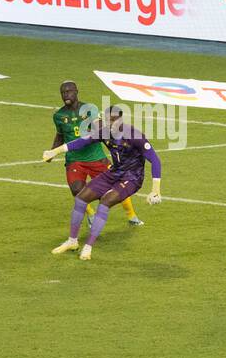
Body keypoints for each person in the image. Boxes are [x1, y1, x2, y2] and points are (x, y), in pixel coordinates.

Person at [43, 105, 162, 261]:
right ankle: (72, 241)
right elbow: (81, 142)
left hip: (132, 177)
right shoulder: (104, 132)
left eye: (113, 120)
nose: (110, 123)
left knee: (105, 202)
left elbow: (155, 160)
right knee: (81, 198)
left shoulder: (134, 135)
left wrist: (155, 189)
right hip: (115, 172)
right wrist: (55, 151)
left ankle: (88, 246)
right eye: (108, 120)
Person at [49, 81, 142, 234]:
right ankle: (91, 215)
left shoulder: (90, 109)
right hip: (75, 159)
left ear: (76, 91)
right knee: (76, 189)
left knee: (118, 187)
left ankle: (132, 216)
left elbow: (101, 129)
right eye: (63, 92)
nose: (66, 95)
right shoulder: (59, 116)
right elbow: (60, 135)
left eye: (69, 91)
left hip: (96, 157)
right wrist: (52, 152)